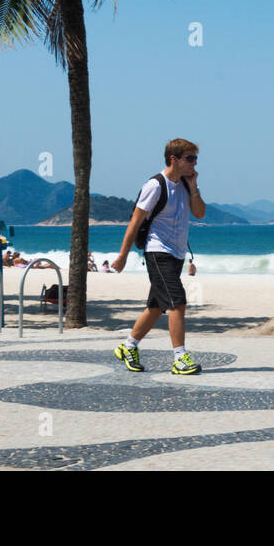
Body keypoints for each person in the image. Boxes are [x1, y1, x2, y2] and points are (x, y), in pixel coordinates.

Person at [112, 138, 204, 375]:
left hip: (177, 254)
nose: (194, 163)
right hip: (157, 251)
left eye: (195, 158)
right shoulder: (155, 186)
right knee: (177, 302)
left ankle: (128, 346)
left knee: (156, 306)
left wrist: (193, 187)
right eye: (189, 158)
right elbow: (135, 220)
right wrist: (122, 255)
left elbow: (199, 213)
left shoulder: (185, 184)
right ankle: (180, 358)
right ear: (173, 159)